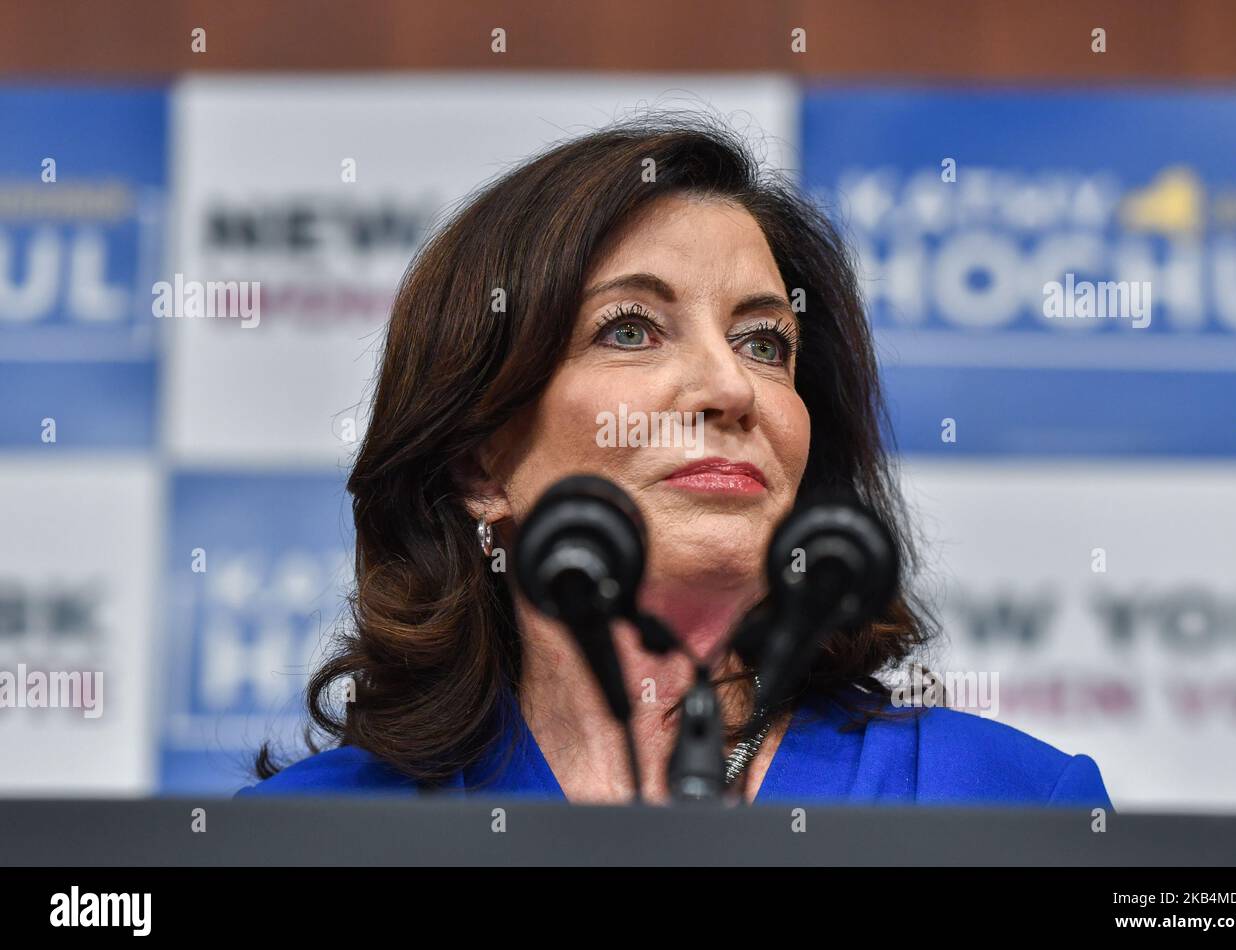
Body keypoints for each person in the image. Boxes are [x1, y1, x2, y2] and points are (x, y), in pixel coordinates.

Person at [237, 114, 1112, 811]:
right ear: (478, 465)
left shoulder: (1006, 803)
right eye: (630, 330)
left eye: (766, 342)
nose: (731, 387)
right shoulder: (311, 837)